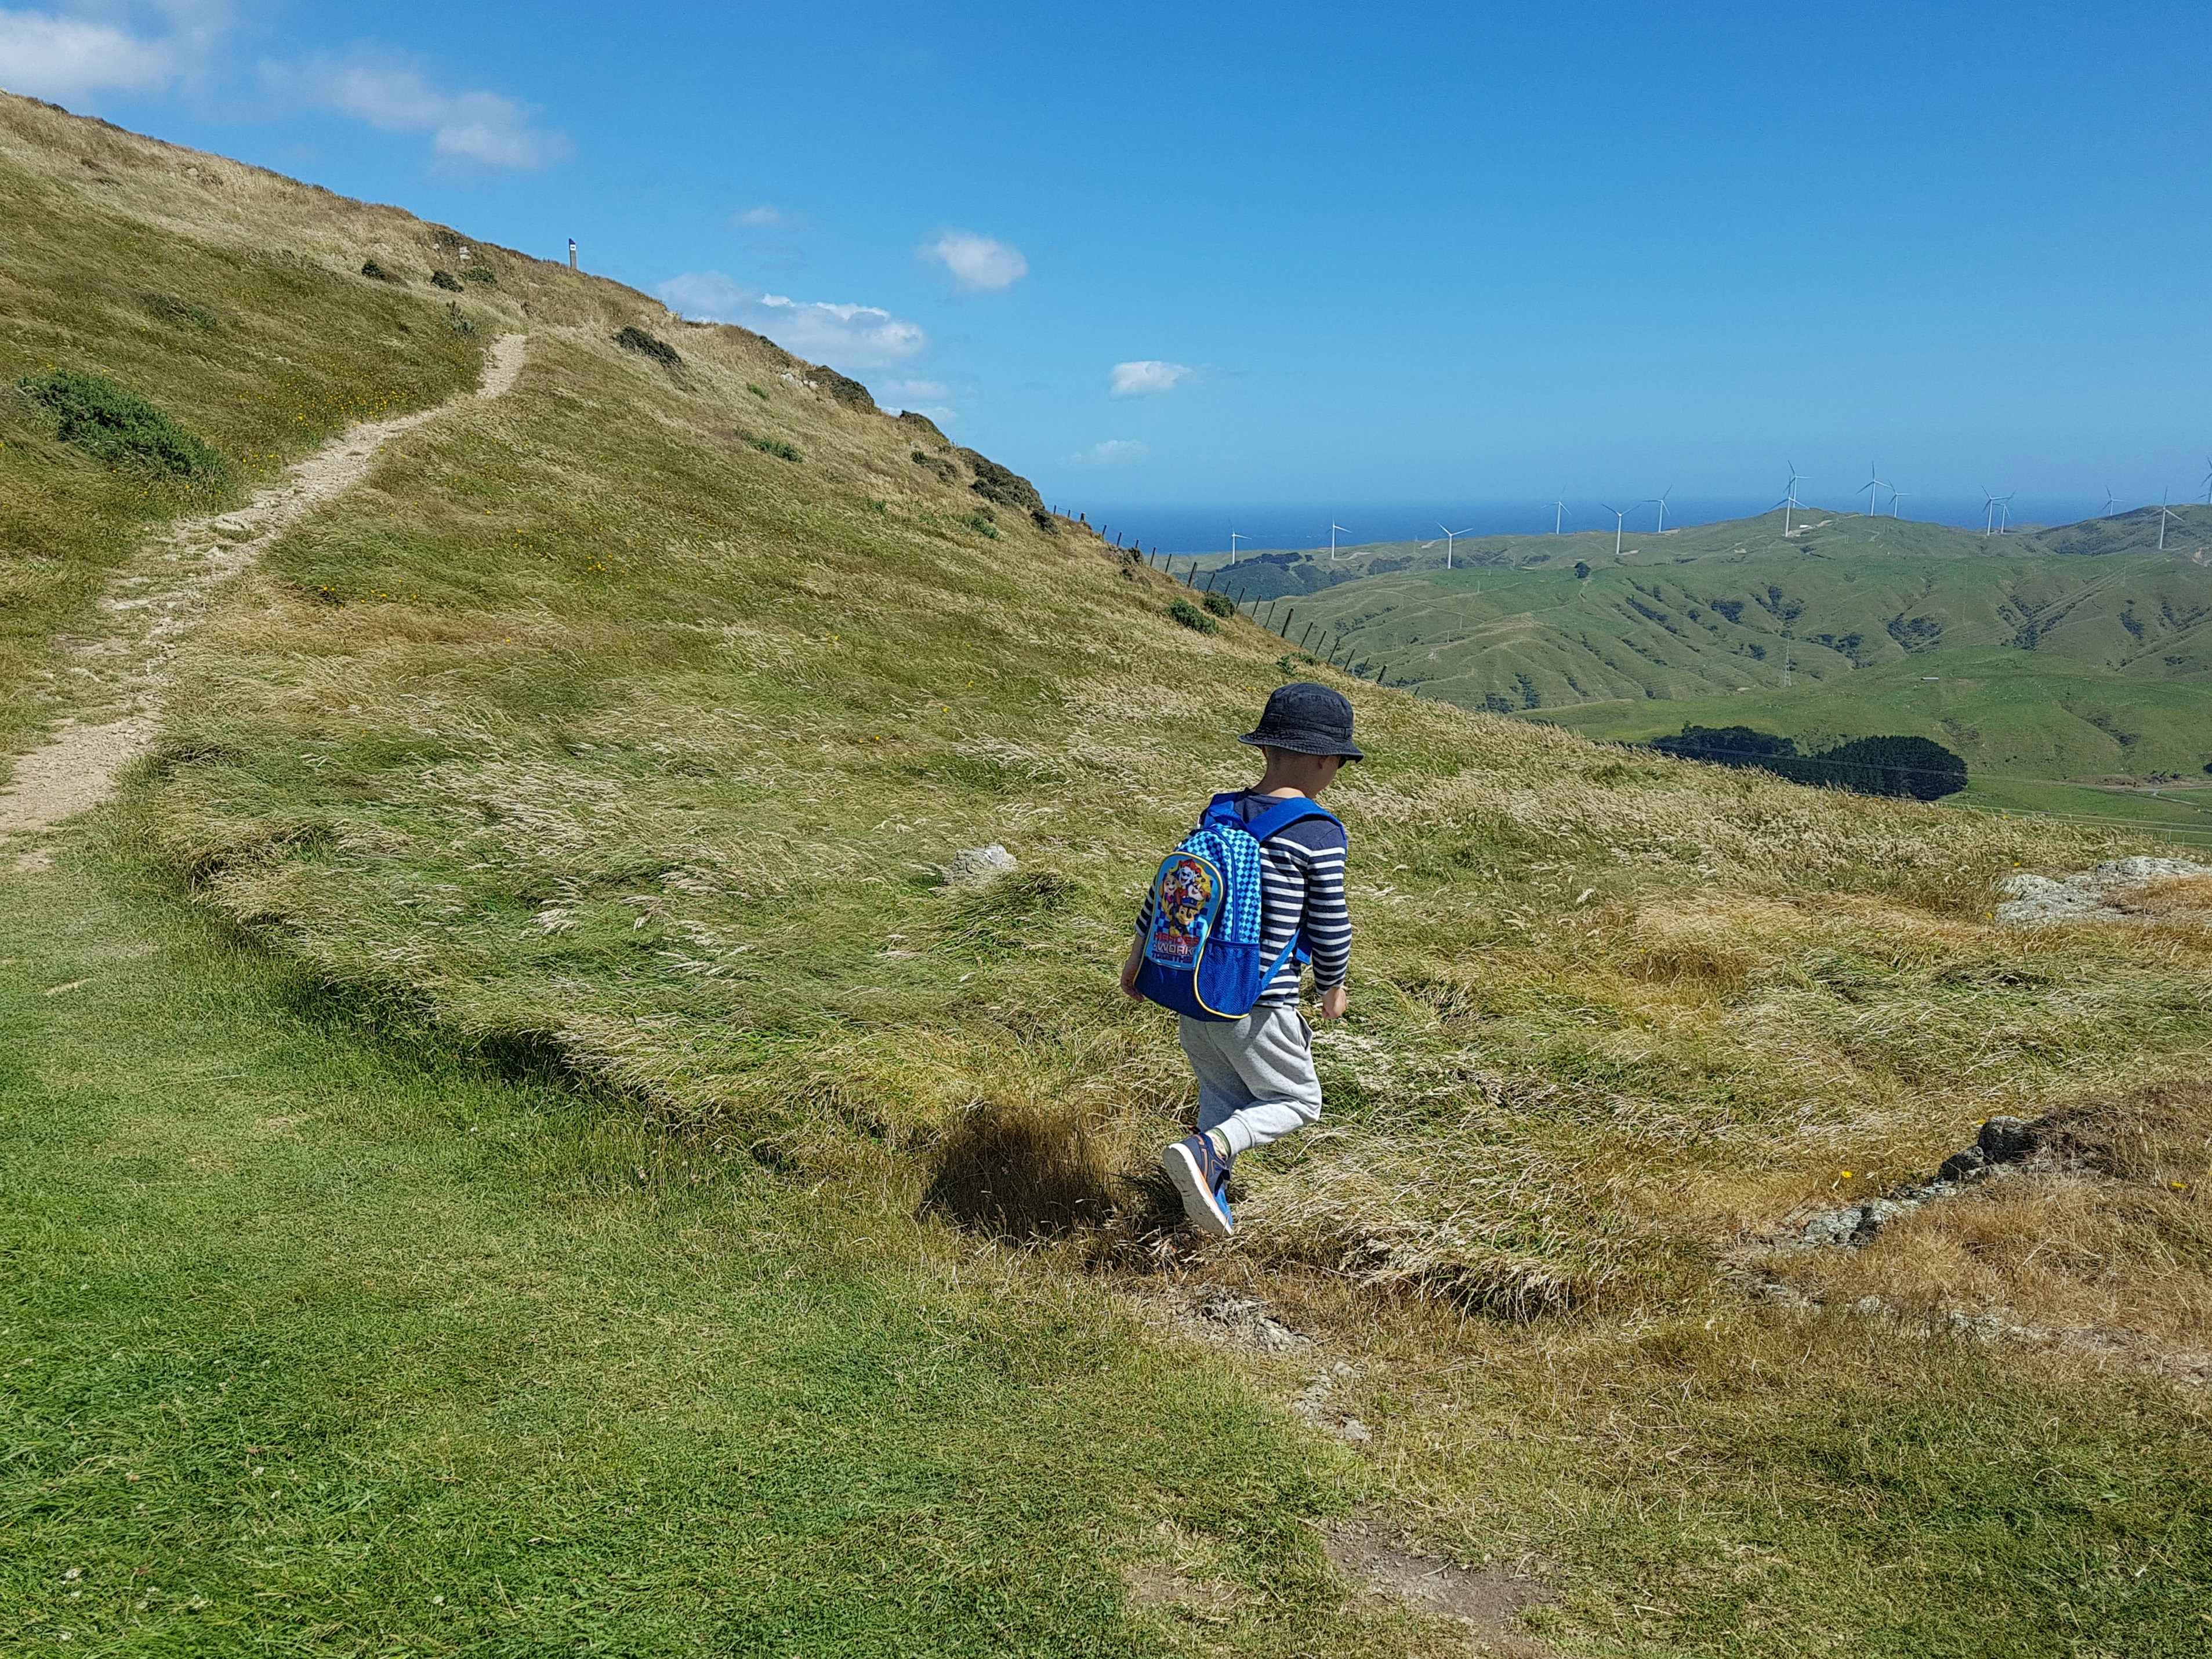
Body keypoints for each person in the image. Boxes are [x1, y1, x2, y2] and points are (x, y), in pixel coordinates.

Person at [1120, 681, 1358, 1236]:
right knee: (1298, 1101)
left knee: (1223, 1096)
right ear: (1324, 760)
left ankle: (1205, 1207)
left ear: (1266, 749)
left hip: (1192, 987)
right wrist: (1333, 984)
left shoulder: (1219, 812)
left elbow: (1165, 893)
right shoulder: (1318, 832)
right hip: (1257, 1001)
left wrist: (1139, 959)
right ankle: (1209, 1150)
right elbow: (1330, 920)